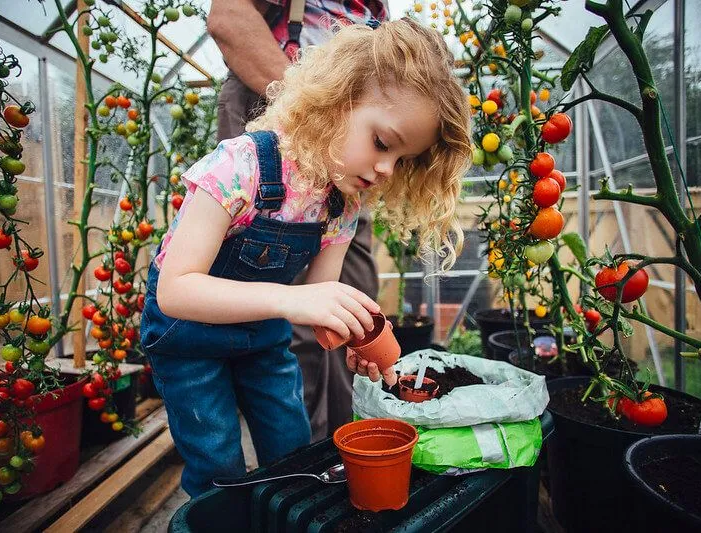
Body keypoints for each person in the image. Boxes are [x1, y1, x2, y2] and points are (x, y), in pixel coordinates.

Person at [140, 18, 472, 498]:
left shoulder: (342, 203)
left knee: (292, 451)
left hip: (261, 343)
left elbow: (322, 299)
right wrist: (292, 302)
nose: (385, 170)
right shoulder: (240, 167)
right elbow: (175, 290)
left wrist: (353, 337)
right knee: (218, 463)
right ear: (336, 101)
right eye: (382, 143)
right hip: (187, 341)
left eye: (401, 161)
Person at [208, 0, 388, 440]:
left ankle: (348, 443)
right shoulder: (245, 163)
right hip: (283, 121)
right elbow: (228, 17)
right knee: (288, 317)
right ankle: (299, 452)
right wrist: (317, 115)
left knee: (353, 301)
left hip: (347, 148)